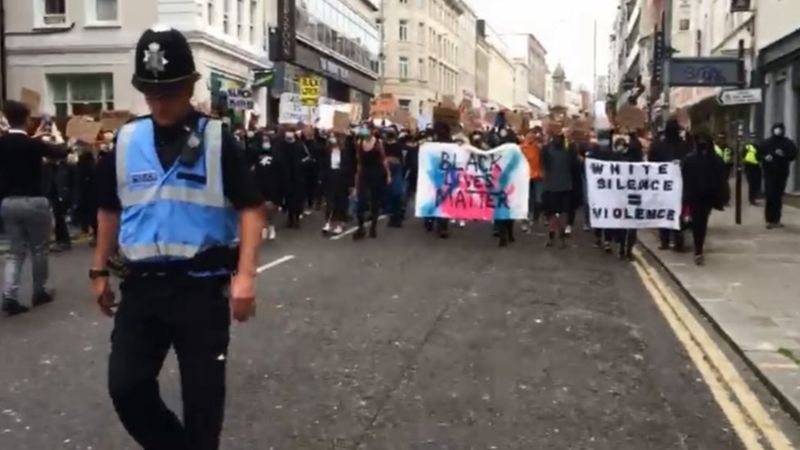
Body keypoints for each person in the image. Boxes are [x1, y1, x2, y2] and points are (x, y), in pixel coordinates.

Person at [90, 26, 264, 450]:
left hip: (200, 290)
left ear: (189, 87)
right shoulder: (127, 139)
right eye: (151, 92)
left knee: (203, 405)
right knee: (126, 387)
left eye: (168, 91)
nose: (159, 102)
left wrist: (246, 277)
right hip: (143, 288)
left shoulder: (218, 139)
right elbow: (110, 208)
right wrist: (98, 268)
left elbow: (251, 208)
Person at [0, 101, 67, 316]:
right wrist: (55, 136)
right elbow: (61, 152)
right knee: (39, 248)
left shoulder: (2, 143)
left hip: (9, 201)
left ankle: (9, 295)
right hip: (34, 199)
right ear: (27, 119)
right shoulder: (32, 145)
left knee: (15, 251)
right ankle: (39, 291)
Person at [682, 131, 728, 265]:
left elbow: (721, 179)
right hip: (695, 196)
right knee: (699, 223)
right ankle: (698, 250)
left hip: (707, 196)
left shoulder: (715, 160)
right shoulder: (690, 159)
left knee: (701, 223)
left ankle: (698, 249)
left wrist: (721, 194)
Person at [649, 119, 691, 251]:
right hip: (679, 185)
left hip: (663, 185)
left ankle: (665, 241)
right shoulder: (685, 145)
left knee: (664, 212)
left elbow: (651, 163)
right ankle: (678, 241)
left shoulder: (658, 145)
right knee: (677, 212)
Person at [541, 131, 579, 248]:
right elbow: (574, 165)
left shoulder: (547, 150)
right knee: (561, 213)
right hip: (564, 186)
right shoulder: (568, 151)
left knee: (553, 213)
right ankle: (559, 235)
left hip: (552, 187)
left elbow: (544, 164)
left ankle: (552, 237)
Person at [759, 123, 798, 229]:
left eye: (780, 129)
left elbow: (793, 155)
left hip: (781, 173)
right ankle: (769, 219)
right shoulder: (766, 143)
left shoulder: (788, 143)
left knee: (778, 196)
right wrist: (765, 157)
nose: (778, 131)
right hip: (769, 173)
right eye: (776, 128)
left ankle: (776, 219)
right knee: (770, 195)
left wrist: (783, 155)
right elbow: (759, 154)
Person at [611, 136, 644, 260]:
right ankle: (628, 250)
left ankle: (622, 249)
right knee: (632, 224)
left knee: (623, 223)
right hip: (633, 195)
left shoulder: (616, 158)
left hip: (622, 195)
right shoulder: (638, 161)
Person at [354, 127, 389, 240]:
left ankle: (373, 227)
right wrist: (357, 176)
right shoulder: (360, 143)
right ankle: (361, 227)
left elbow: (384, 159)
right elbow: (359, 162)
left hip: (377, 173)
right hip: (364, 174)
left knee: (375, 201)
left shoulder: (378, 144)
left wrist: (388, 174)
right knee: (361, 201)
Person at [253, 132, 283, 240]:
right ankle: (263, 227)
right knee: (260, 208)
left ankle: (271, 226)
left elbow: (280, 171)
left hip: (272, 185)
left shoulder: (277, 155)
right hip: (259, 184)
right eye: (263, 140)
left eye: (267, 140)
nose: (265, 142)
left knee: (270, 208)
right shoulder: (257, 154)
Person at [520, 127, 543, 233]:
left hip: (537, 176)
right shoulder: (521, 148)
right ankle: (526, 220)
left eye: (532, 138)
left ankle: (535, 218)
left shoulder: (539, 148)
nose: (530, 139)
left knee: (538, 200)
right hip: (526, 177)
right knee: (527, 199)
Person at [742, 135, 762, 205]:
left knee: (755, 184)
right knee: (752, 184)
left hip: (756, 168)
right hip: (749, 168)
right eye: (752, 138)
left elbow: (760, 156)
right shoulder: (747, 147)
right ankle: (752, 199)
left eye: (754, 138)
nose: (753, 139)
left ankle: (753, 198)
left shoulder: (758, 147)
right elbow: (743, 156)